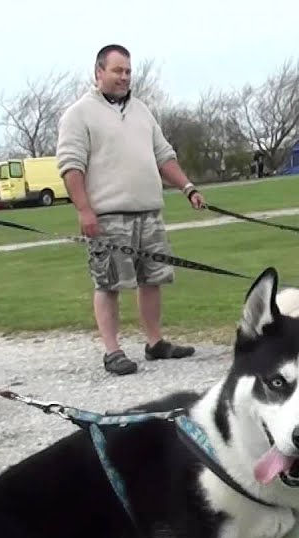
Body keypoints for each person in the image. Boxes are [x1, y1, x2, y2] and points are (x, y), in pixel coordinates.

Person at [57, 43, 205, 376]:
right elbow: (70, 167)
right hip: (108, 215)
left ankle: (155, 343)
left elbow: (163, 155)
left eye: (127, 71)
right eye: (117, 70)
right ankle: (112, 351)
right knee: (108, 282)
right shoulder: (78, 114)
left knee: (153, 278)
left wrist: (188, 187)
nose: (124, 77)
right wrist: (84, 210)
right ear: (99, 72)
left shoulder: (141, 111)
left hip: (149, 211)